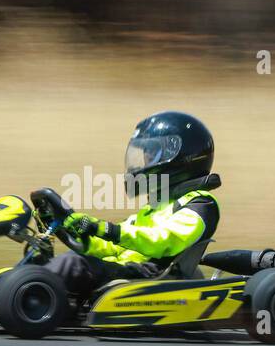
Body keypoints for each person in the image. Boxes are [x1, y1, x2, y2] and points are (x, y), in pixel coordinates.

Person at [46, 111, 220, 297]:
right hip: (127, 268)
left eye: (153, 155)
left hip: (149, 274)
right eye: (147, 155)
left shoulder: (200, 203)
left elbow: (165, 241)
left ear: (181, 158)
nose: (145, 163)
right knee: (50, 262)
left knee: (73, 264)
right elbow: (116, 245)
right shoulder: (155, 206)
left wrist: (107, 229)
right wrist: (81, 233)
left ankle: (28, 293)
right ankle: (31, 287)